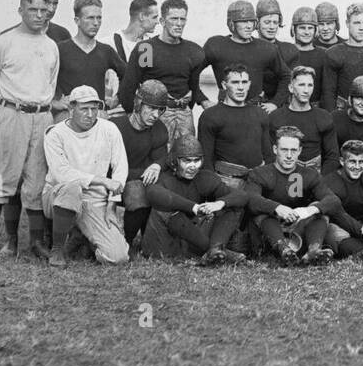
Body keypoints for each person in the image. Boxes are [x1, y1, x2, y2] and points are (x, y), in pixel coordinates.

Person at [0, 0, 60, 262]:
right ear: (20, 10)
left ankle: (35, 244)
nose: (38, 15)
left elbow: (50, 82)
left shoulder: (50, 45)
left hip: (41, 116)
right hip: (11, 115)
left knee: (36, 182)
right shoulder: (5, 41)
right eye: (32, 10)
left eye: (43, 11)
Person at [41, 85, 130, 267]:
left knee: (118, 257)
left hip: (94, 201)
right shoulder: (55, 133)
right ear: (71, 109)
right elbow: (62, 173)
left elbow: (121, 167)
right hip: (59, 196)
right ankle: (57, 250)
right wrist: (102, 180)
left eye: (94, 108)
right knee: (73, 187)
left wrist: (112, 203)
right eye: (84, 109)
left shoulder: (109, 129)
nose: (90, 114)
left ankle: (84, 239)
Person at [142, 135, 249, 265]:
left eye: (197, 160)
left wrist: (219, 203)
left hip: (192, 239)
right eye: (187, 161)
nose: (193, 166)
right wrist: (194, 208)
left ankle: (216, 249)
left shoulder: (204, 178)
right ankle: (215, 251)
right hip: (167, 245)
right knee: (169, 211)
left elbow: (242, 196)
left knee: (230, 206)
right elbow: (154, 194)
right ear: (175, 161)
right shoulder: (163, 179)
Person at [243, 126, 342, 265]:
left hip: (297, 230)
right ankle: (284, 250)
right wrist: (277, 208)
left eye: (293, 150)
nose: (289, 156)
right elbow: (250, 199)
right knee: (261, 212)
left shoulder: (309, 174)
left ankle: (314, 250)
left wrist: (307, 211)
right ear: (275, 150)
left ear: (299, 151)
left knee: (319, 210)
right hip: (269, 234)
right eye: (284, 150)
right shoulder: (260, 173)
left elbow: (333, 200)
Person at [119, 0, 210, 141]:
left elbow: (193, 87)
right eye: (174, 18)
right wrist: (136, 118)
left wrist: (201, 102)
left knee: (186, 155)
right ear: (162, 21)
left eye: (182, 19)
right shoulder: (147, 49)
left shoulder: (193, 51)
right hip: (154, 115)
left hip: (184, 116)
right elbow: (128, 88)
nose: (179, 24)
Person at [110, 78, 170, 252]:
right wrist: (144, 172)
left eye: (160, 110)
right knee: (137, 191)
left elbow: (162, 157)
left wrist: (158, 165)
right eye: (151, 108)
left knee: (159, 187)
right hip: (111, 183)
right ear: (138, 104)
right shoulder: (115, 127)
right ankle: (126, 242)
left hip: (139, 181)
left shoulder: (159, 129)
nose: (156, 115)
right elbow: (108, 169)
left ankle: (147, 239)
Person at [202, 0, 290, 111]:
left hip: (255, 111)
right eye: (243, 21)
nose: (249, 26)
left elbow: (287, 76)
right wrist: (203, 100)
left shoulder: (266, 48)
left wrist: (275, 103)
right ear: (231, 23)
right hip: (225, 110)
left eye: (251, 21)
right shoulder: (215, 45)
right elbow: (192, 71)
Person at [198, 64, 274, 184]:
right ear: (224, 85)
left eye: (244, 82)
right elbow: (206, 158)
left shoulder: (260, 114)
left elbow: (268, 154)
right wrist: (214, 187)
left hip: (257, 181)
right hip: (226, 181)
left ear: (249, 84)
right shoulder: (211, 116)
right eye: (235, 82)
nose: (240, 87)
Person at [56, 0, 126, 113]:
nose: (96, 23)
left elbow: (127, 75)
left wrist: (118, 98)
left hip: (97, 116)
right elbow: (44, 78)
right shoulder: (61, 49)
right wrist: (55, 101)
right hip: (69, 116)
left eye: (99, 18)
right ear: (77, 21)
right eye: (90, 18)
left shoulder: (106, 51)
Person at [269, 65, 338, 172]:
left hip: (316, 174)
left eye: (310, 85)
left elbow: (332, 157)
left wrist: (320, 181)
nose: (306, 90)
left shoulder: (323, 117)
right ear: (291, 88)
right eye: (301, 85)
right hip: (283, 174)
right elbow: (269, 155)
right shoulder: (276, 117)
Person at [254, 0, 299, 99]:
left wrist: (275, 103)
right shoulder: (249, 49)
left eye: (275, 22)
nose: (272, 27)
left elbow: (292, 82)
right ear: (257, 23)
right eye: (267, 22)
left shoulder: (289, 50)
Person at [111, 0, 159, 66]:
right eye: (154, 17)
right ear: (142, 16)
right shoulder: (110, 43)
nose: (157, 22)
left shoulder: (153, 45)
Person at [289, 5, 328, 80]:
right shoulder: (286, 52)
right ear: (294, 29)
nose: (306, 32)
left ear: (315, 30)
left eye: (310, 28)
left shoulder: (324, 54)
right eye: (302, 28)